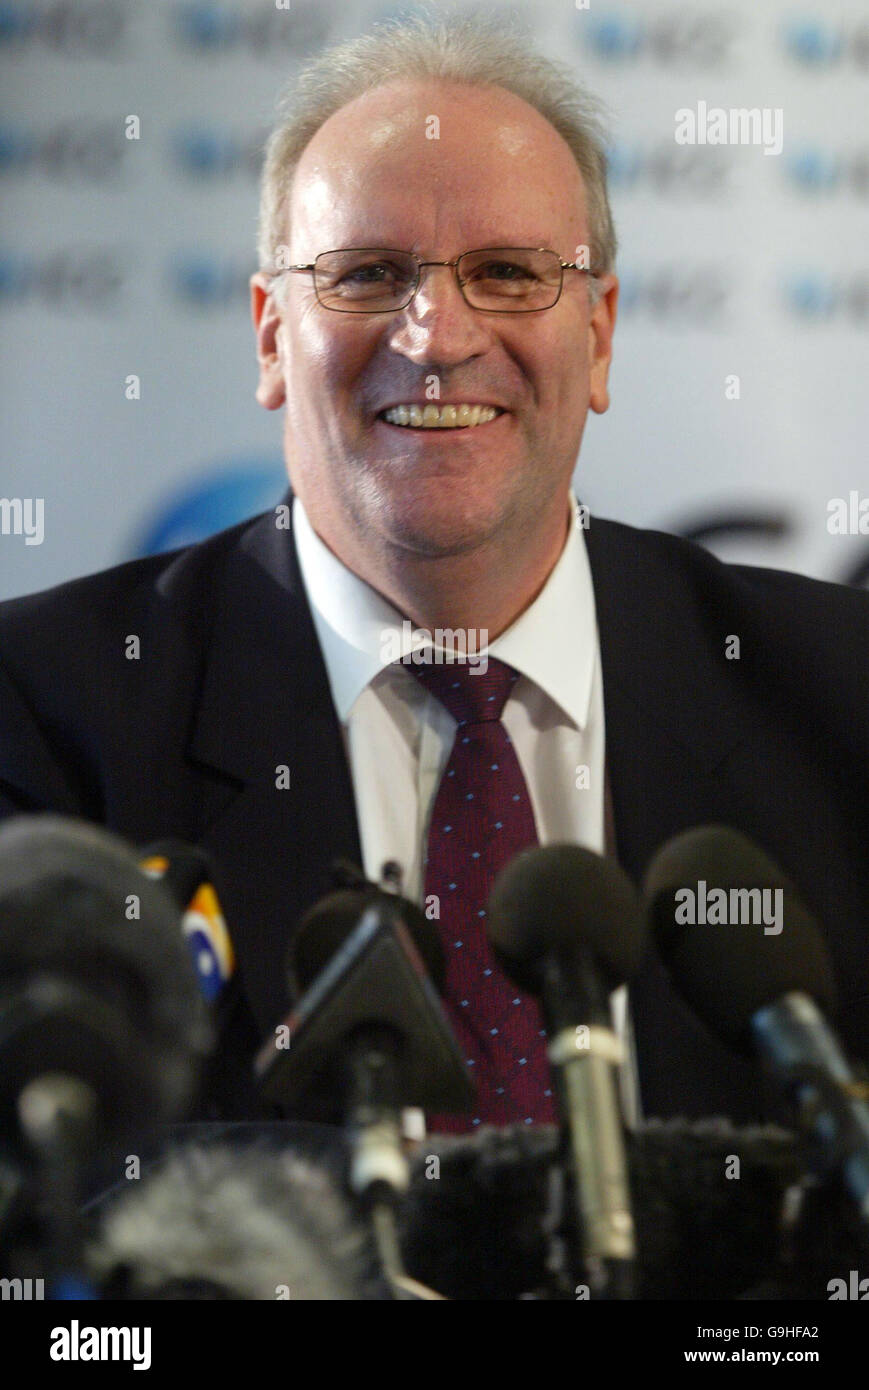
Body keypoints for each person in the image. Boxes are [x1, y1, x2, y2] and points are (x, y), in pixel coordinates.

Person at [0, 16, 867, 1132]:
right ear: (270, 337)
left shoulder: (838, 700)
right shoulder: (48, 721)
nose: (437, 333)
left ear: (598, 337)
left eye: (507, 273)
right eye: (367, 274)